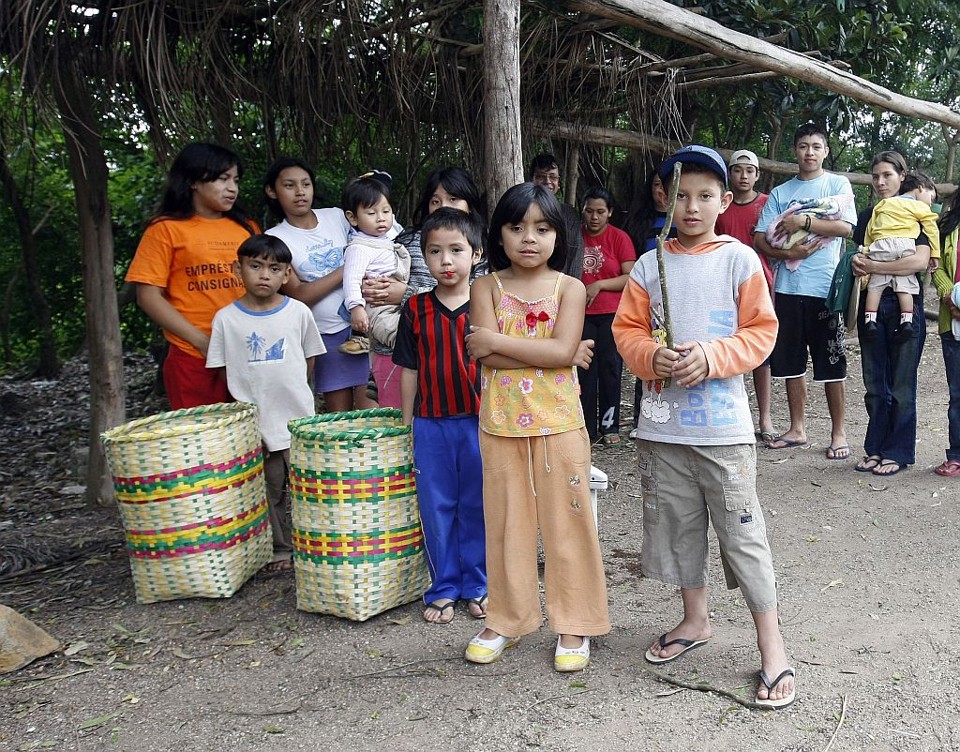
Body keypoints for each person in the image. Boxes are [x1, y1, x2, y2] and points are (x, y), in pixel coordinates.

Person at [612, 144, 794, 710]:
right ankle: (695, 620)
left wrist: (712, 356)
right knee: (678, 528)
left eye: (706, 196)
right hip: (664, 430)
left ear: (724, 199)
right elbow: (627, 331)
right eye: (682, 195)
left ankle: (773, 647)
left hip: (724, 430)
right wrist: (651, 357)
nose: (693, 207)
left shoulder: (740, 260)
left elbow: (762, 333)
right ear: (666, 199)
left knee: (742, 534)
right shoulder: (648, 264)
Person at [463, 182, 609, 672]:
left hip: (562, 424)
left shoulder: (572, 287)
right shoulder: (485, 287)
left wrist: (501, 343)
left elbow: (548, 348)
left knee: (568, 522)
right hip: (500, 425)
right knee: (506, 526)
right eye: (517, 226)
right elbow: (495, 355)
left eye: (543, 228)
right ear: (498, 234)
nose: (529, 238)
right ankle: (505, 618)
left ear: (558, 235)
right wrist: (555, 354)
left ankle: (576, 621)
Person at [206, 234, 325, 572]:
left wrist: (298, 395)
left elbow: (309, 360)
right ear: (237, 268)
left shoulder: (298, 312)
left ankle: (315, 544)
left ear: (287, 274)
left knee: (308, 487)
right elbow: (223, 370)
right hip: (256, 425)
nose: (263, 275)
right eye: (255, 266)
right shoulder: (226, 319)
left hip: (299, 421)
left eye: (274, 268)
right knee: (269, 489)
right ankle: (280, 549)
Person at [393, 208, 486, 623]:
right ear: (423, 258)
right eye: (435, 252)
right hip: (430, 424)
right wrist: (407, 423)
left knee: (478, 505)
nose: (446, 261)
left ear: (476, 254)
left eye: (456, 250)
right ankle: (444, 587)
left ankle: (478, 585)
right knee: (436, 506)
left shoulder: (489, 306)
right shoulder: (415, 309)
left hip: (479, 423)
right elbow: (409, 370)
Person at [126, 142, 259, 409]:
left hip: (249, 348)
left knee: (250, 439)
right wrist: (201, 341)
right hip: (193, 354)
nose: (232, 187)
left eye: (235, 179)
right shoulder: (165, 229)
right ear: (194, 181)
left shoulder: (247, 228)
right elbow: (148, 296)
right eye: (223, 179)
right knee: (203, 443)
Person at [754, 123, 856, 461]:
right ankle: (797, 429)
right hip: (787, 287)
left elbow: (845, 227)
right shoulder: (782, 192)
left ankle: (838, 432)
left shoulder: (837, 184)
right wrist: (787, 254)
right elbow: (759, 237)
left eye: (816, 146)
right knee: (790, 362)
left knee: (832, 361)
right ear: (795, 151)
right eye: (803, 146)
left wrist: (804, 223)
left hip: (825, 289)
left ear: (825, 151)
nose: (809, 152)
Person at [362, 167, 486, 408]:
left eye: (453, 199)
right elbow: (377, 295)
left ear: (469, 204)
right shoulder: (405, 243)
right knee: (405, 432)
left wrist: (405, 293)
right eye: (435, 200)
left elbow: (473, 297)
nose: (443, 206)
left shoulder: (481, 248)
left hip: (460, 360)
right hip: (399, 352)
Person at [262, 157, 373, 413]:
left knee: (374, 415)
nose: (300, 192)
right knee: (340, 421)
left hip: (367, 327)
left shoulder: (337, 216)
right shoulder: (275, 238)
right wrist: (348, 270)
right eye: (289, 185)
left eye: (306, 184)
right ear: (272, 191)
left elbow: (376, 240)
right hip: (325, 335)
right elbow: (299, 294)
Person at [850, 151, 932, 476]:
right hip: (872, 305)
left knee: (901, 384)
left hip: (905, 306)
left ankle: (897, 452)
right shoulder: (868, 215)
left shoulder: (914, 212)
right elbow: (860, 257)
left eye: (887, 175)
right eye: (875, 176)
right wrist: (858, 264)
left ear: (902, 176)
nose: (881, 182)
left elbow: (920, 261)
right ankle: (875, 448)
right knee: (874, 384)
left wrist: (875, 265)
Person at [716, 149, 774, 444]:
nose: (743, 176)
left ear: (757, 175)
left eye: (749, 171)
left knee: (760, 352)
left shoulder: (766, 204)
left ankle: (765, 418)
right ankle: (731, 414)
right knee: (726, 344)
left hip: (760, 282)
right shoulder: (720, 205)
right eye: (738, 170)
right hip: (724, 284)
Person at [579, 186, 636, 444]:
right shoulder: (575, 237)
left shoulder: (619, 238)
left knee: (611, 369)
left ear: (610, 212)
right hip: (581, 315)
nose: (594, 217)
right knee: (584, 370)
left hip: (612, 313)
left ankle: (609, 426)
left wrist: (599, 284)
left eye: (600, 211)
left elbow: (630, 277)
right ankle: (586, 426)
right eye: (589, 211)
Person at [861, 171, 940, 343]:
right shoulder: (920, 207)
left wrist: (867, 249)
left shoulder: (885, 203)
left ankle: (870, 320)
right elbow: (931, 229)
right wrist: (935, 253)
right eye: (931, 197)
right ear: (920, 188)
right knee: (905, 286)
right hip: (905, 245)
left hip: (881, 245)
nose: (931, 203)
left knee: (875, 286)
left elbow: (871, 228)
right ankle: (907, 321)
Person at [340, 176, 410, 355]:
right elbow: (351, 279)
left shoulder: (386, 238)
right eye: (371, 213)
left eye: (386, 211)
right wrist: (356, 308)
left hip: (397, 302)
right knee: (397, 334)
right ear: (353, 218)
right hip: (378, 306)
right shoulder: (359, 248)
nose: (381, 219)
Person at [932, 188, 960, 477]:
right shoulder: (948, 225)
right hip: (952, 318)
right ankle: (956, 454)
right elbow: (935, 265)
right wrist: (949, 295)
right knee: (958, 393)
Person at [530, 153, 585, 279]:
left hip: (561, 284)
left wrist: (570, 286)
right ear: (531, 180)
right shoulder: (521, 209)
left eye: (553, 177)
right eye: (541, 176)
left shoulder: (569, 214)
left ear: (559, 182)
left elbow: (575, 253)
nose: (547, 181)